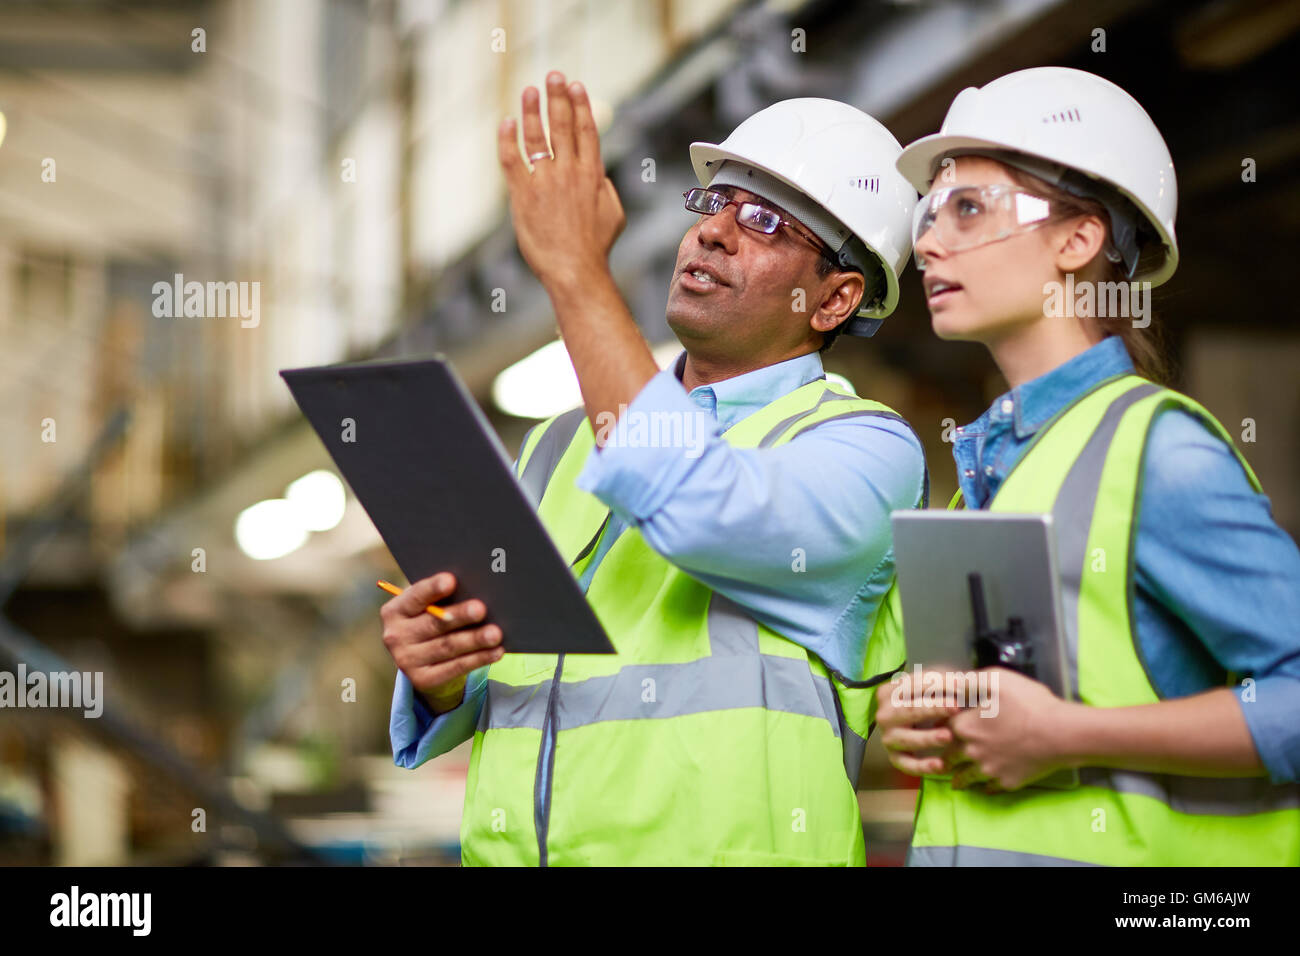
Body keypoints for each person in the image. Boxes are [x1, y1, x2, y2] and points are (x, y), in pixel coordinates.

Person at [381, 73, 927, 865]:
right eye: (717, 205)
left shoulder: (863, 451)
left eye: (767, 221)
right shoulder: (558, 443)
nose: (714, 234)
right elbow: (505, 675)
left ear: (836, 299)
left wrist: (575, 270)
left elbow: (697, 505)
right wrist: (438, 673)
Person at [876, 66, 1300, 866]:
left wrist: (1068, 736)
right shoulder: (991, 475)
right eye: (930, 214)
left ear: (1078, 240)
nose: (927, 243)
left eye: (968, 208)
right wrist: (923, 711)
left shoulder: (1159, 452)